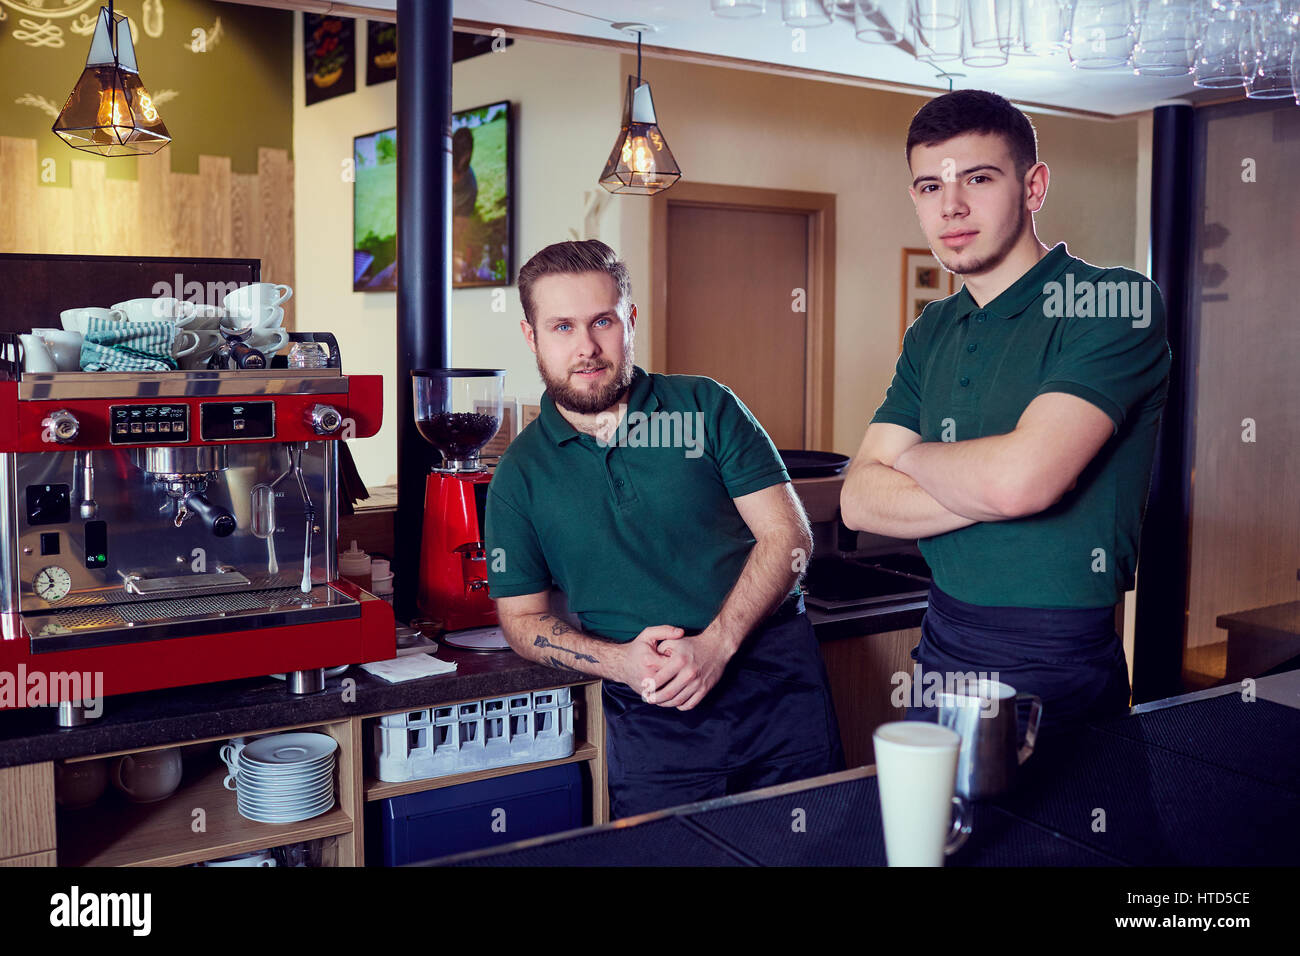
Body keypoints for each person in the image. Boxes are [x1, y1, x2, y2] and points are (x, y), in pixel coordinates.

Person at [840, 90, 1171, 739]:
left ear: (1034, 185)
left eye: (979, 179)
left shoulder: (1112, 301)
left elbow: (1022, 482)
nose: (951, 205)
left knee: (1075, 841)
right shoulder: (932, 328)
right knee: (923, 842)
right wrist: (1004, 481)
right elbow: (857, 501)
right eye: (930, 185)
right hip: (941, 647)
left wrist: (908, 459)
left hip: (1058, 660)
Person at [485, 239, 844, 819]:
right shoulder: (519, 474)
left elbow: (790, 537)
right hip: (652, 713)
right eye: (562, 327)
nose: (586, 347)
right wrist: (622, 663)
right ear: (531, 336)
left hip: (778, 690)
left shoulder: (706, 406)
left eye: (602, 320)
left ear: (629, 318)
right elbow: (522, 620)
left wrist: (717, 644)